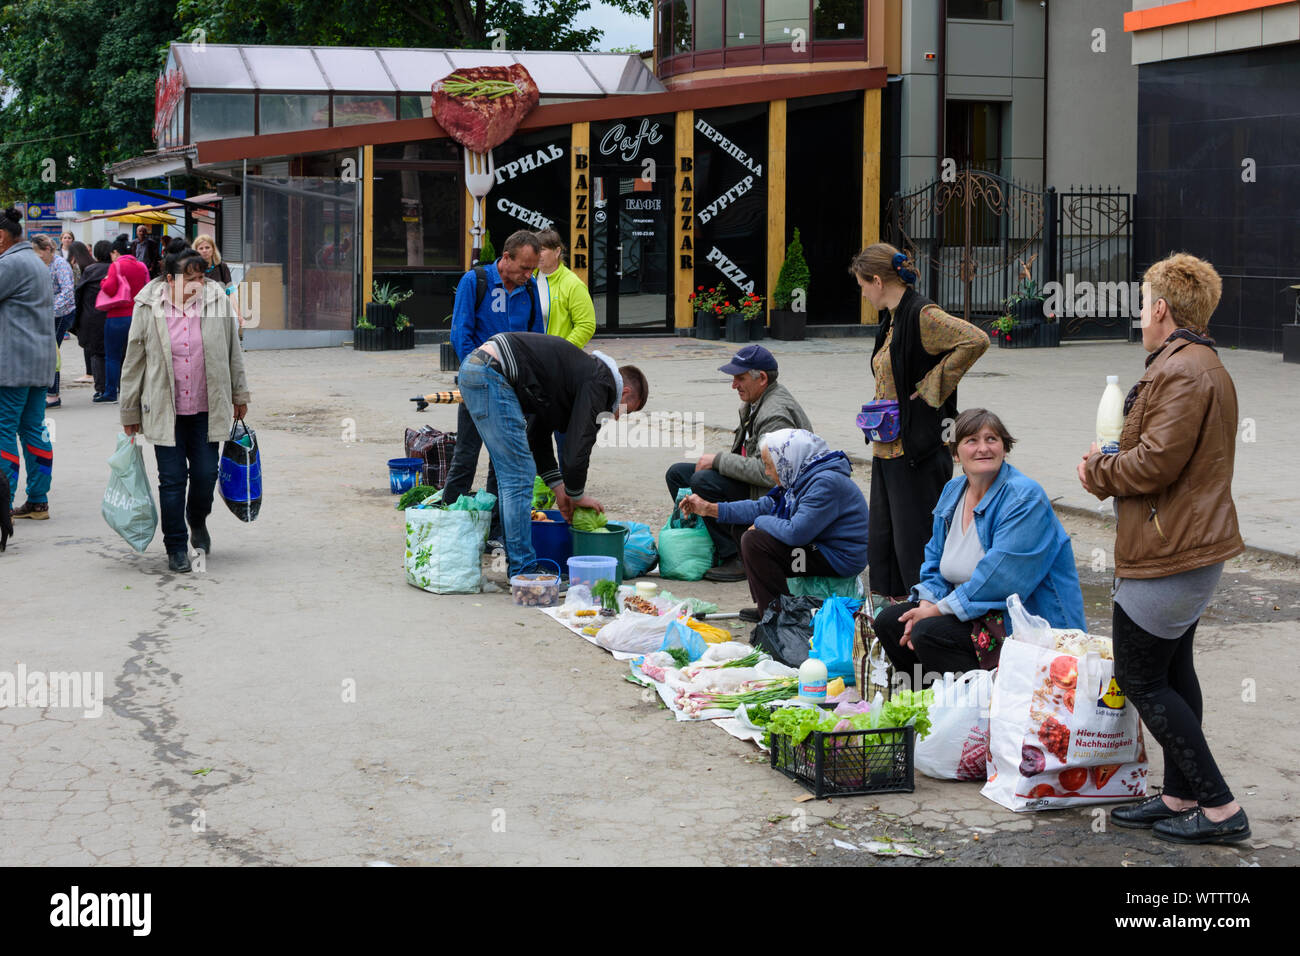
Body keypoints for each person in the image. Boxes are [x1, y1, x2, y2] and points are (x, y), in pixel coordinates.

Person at [1079, 253, 1249, 846]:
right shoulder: (1194, 363)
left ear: (1160, 309)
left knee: (1140, 674)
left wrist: (1099, 470)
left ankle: (1222, 809)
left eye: (1142, 303)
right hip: (1181, 541)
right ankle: (1179, 793)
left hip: (1173, 546)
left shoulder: (1181, 370)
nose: (1139, 316)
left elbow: (1155, 463)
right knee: (1174, 670)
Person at [875, 408, 1085, 689]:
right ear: (956, 454)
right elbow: (935, 558)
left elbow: (999, 579)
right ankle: (933, 709)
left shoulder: (1024, 497)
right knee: (891, 621)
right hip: (971, 610)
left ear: (1005, 448)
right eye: (972, 440)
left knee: (928, 631)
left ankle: (981, 712)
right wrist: (926, 603)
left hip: (1016, 618)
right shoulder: (953, 490)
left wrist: (935, 611)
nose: (983, 448)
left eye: (992, 439)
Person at [852, 242, 989, 602]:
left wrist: (931, 387)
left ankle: (927, 628)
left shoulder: (922, 314)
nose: (863, 293)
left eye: (863, 285)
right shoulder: (892, 319)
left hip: (916, 450)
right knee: (885, 543)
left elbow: (975, 339)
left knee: (916, 546)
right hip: (887, 449)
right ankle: (895, 624)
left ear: (878, 281)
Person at [457, 331, 646, 577]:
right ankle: (523, 569)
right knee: (518, 476)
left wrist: (559, 488)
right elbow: (579, 444)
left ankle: (518, 563)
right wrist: (577, 495)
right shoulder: (600, 382)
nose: (620, 417)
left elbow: (537, 436)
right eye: (627, 411)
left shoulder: (574, 377)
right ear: (626, 392)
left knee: (512, 475)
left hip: (477, 369)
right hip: (491, 373)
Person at [120, 247, 250, 574]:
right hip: (166, 409)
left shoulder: (217, 300)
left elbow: (233, 350)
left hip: (207, 406)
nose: (198, 283)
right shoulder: (148, 306)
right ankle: (175, 545)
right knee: (172, 480)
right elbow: (134, 361)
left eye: (201, 276)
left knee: (207, 474)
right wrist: (129, 411)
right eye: (190, 278)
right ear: (169, 280)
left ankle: (197, 520)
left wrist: (239, 392)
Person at [681, 428, 869, 621]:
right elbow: (760, 507)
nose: (767, 472)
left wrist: (760, 522)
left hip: (837, 559)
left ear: (787, 460)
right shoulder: (799, 476)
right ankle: (770, 604)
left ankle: (777, 615)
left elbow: (796, 533)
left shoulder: (824, 484)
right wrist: (708, 508)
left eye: (770, 465)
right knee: (742, 529)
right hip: (817, 547)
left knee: (755, 541)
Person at [664, 345, 811, 582]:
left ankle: (739, 555)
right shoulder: (755, 401)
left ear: (762, 378)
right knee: (677, 474)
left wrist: (720, 460)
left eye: (739, 378)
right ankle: (719, 546)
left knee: (703, 480)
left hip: (773, 494)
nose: (734, 385)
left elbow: (769, 474)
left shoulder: (775, 413)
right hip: (755, 484)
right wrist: (719, 462)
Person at [442, 230, 546, 545]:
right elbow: (461, 335)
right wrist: (478, 375)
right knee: (466, 454)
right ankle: (449, 523)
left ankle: (496, 531)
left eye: (533, 269)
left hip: (513, 389)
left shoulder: (529, 289)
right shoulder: (475, 282)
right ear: (506, 258)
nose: (528, 275)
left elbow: (536, 339)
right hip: (478, 383)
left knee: (502, 459)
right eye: (524, 267)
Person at [0, 206, 56, 519]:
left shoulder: (9, 263)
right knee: (33, 429)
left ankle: (2, 506)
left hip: (13, 365)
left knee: (3, 429)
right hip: (38, 362)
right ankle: (38, 499)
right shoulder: (33, 261)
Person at [534, 228, 596, 465]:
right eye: (535, 250)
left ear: (557, 251)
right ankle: (543, 480)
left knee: (563, 430)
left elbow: (586, 324)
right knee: (534, 429)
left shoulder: (572, 283)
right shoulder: (528, 279)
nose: (537, 255)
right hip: (532, 367)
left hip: (561, 371)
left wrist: (560, 352)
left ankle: (569, 482)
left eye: (543, 250)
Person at [97, 235, 151, 404]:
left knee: (112, 356)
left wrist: (104, 281)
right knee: (136, 355)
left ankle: (111, 393)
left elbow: (111, 289)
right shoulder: (141, 266)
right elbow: (147, 288)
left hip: (117, 317)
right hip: (138, 316)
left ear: (115, 252)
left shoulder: (116, 265)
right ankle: (138, 391)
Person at [31, 235, 77, 408]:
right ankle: (48, 391)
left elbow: (67, 292)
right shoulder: (43, 264)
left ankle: (53, 395)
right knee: (47, 352)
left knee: (51, 353)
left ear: (48, 249)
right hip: (46, 313)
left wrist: (49, 309)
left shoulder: (60, 265)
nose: (37, 257)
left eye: (39, 253)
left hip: (61, 314)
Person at [74, 241, 113, 399]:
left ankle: (101, 388)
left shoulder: (90, 270)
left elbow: (79, 294)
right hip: (114, 315)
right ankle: (116, 385)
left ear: (95, 254)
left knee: (97, 354)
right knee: (116, 353)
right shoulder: (115, 269)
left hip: (93, 316)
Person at [193, 234, 242, 338]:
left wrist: (238, 313)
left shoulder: (222, 267)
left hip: (220, 312)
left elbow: (230, 291)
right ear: (196, 251)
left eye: (207, 247)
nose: (204, 251)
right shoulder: (193, 269)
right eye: (201, 248)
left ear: (213, 249)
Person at [65, 241, 96, 383]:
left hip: (81, 306)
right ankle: (92, 371)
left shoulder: (75, 267)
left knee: (85, 339)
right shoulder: (92, 264)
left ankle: (89, 373)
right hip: (93, 307)